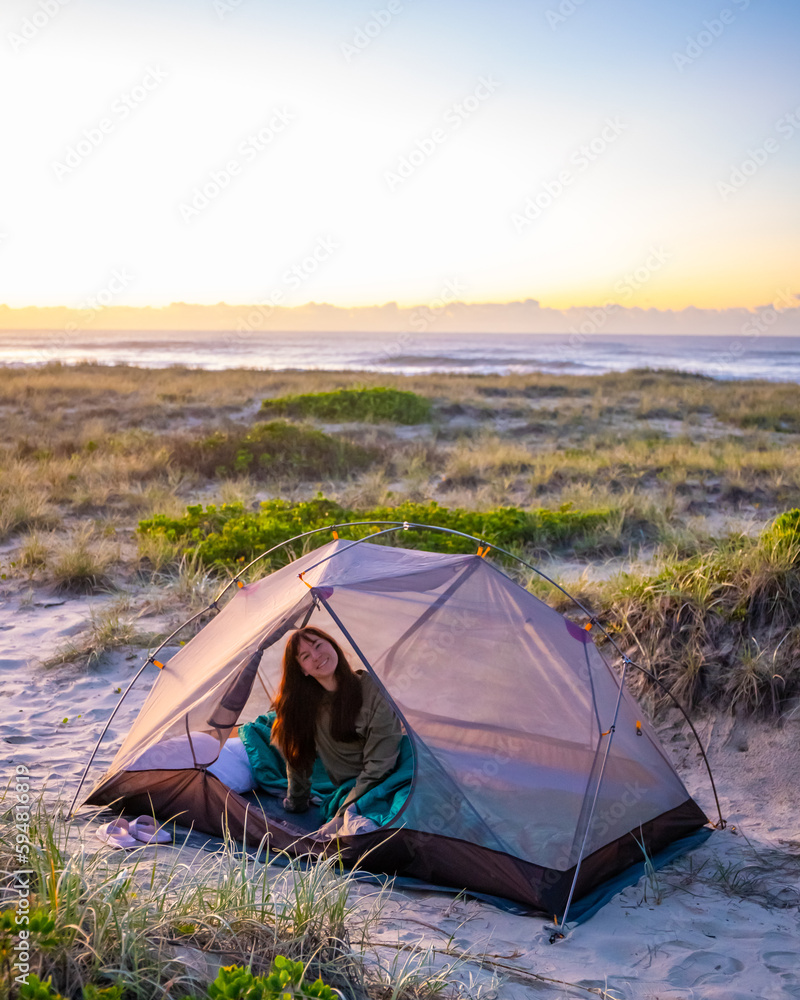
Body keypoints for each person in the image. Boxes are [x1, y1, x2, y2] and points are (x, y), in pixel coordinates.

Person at [270, 625, 404, 816]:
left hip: (394, 775)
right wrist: (296, 801)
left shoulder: (373, 692)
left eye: (317, 645)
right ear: (303, 670)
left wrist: (343, 814)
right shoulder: (306, 708)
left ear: (333, 646)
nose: (315, 656)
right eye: (306, 656)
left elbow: (380, 765)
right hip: (353, 788)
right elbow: (297, 758)